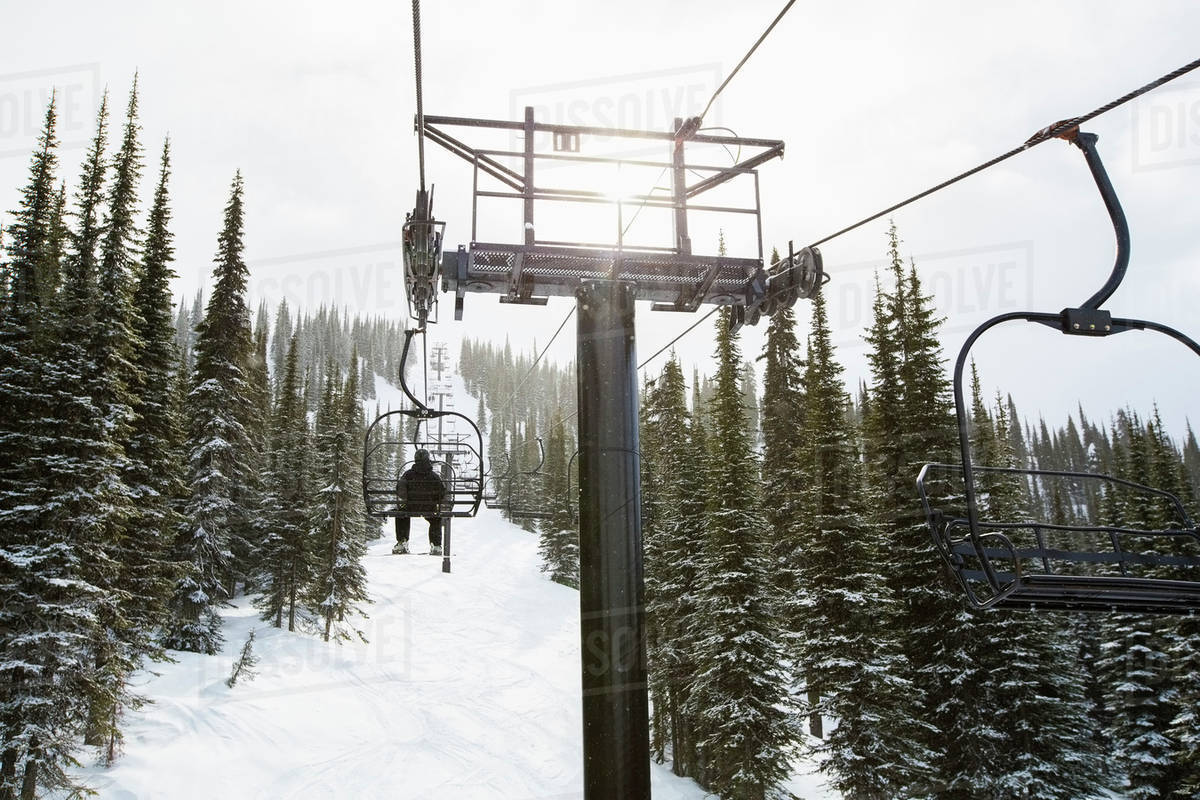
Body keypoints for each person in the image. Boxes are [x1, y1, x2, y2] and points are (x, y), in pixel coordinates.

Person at [394, 449, 447, 555]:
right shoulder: (434, 476)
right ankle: (436, 545)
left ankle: (402, 541)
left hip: (410, 507)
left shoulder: (408, 475)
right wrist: (434, 501)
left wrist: (407, 499)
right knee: (435, 519)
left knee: (401, 514)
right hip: (429, 507)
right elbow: (442, 493)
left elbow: (400, 490)